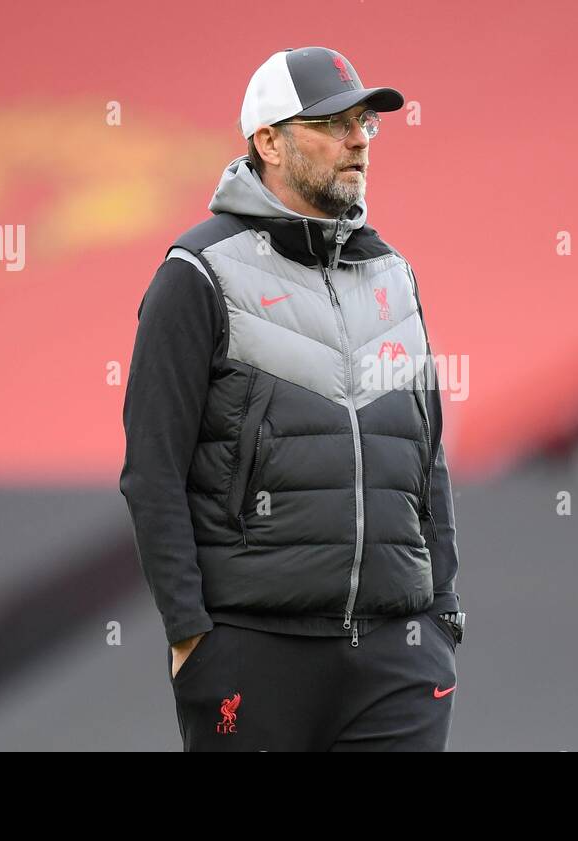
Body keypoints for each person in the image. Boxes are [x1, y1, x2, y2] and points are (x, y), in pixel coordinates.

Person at [119, 47, 465, 751]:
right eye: (333, 123)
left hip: (399, 656)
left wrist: (442, 617)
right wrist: (191, 633)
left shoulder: (394, 275)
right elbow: (152, 470)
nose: (360, 138)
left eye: (365, 121)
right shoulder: (198, 273)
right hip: (252, 650)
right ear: (268, 141)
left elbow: (427, 463)